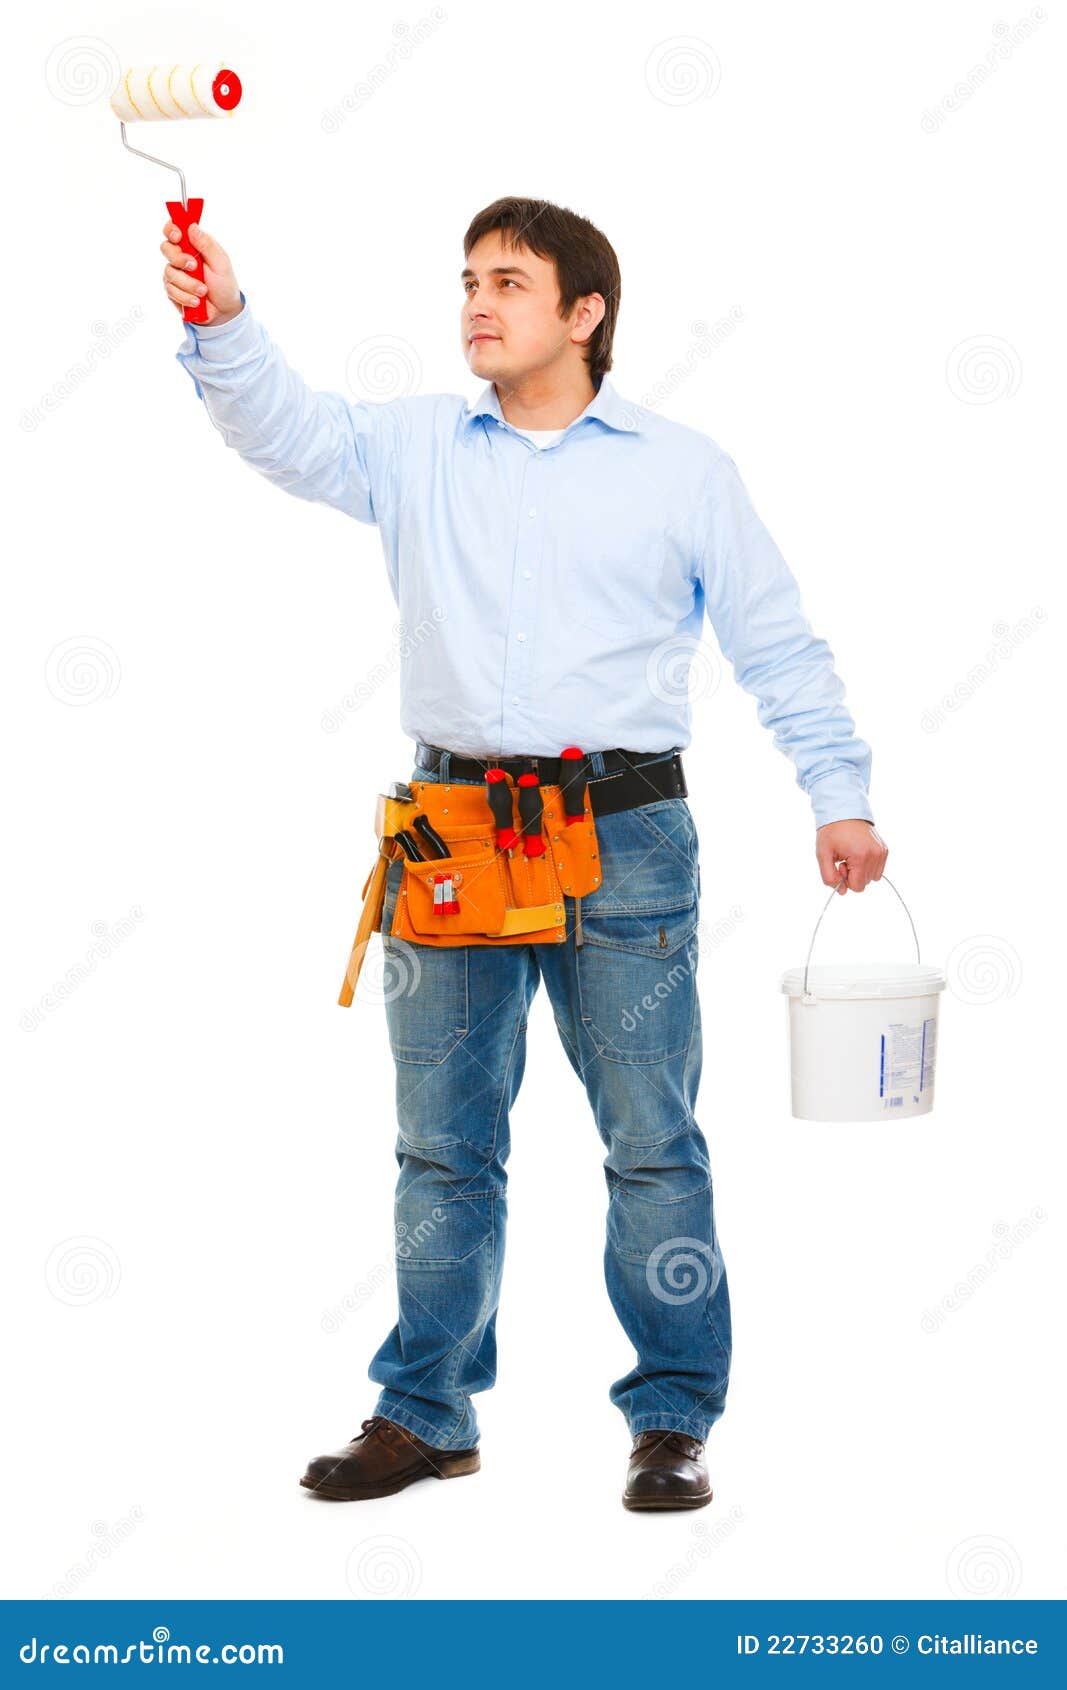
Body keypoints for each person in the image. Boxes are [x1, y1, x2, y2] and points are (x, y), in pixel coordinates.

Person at [167, 196, 888, 1511]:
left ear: (585, 312)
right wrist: (222, 317)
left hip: (624, 835)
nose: (477, 304)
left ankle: (672, 1417)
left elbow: (777, 642)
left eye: (509, 281)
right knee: (442, 1144)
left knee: (652, 1140)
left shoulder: (682, 470)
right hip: (452, 834)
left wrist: (837, 795)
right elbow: (284, 429)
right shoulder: (415, 446)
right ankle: (425, 1415)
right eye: (467, 281)